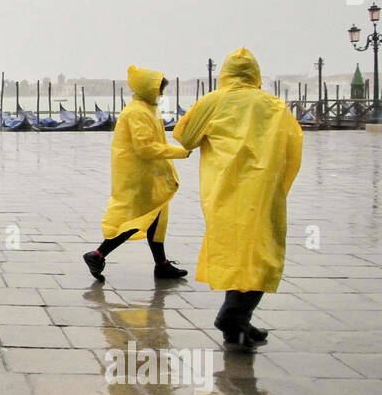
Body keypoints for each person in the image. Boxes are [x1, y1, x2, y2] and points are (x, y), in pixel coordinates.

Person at [173, 47, 303, 348]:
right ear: (255, 74)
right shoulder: (274, 105)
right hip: (263, 192)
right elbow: (293, 144)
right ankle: (236, 318)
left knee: (234, 251)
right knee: (261, 255)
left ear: (225, 74)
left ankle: (236, 320)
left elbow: (185, 137)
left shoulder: (212, 101)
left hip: (224, 191)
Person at [84, 66, 190, 282]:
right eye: (159, 89)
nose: (161, 94)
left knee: (155, 218)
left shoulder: (146, 108)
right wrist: (181, 151)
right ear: (149, 89)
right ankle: (97, 254)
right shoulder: (137, 112)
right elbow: (145, 147)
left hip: (149, 173)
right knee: (137, 219)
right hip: (139, 175)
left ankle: (161, 265)